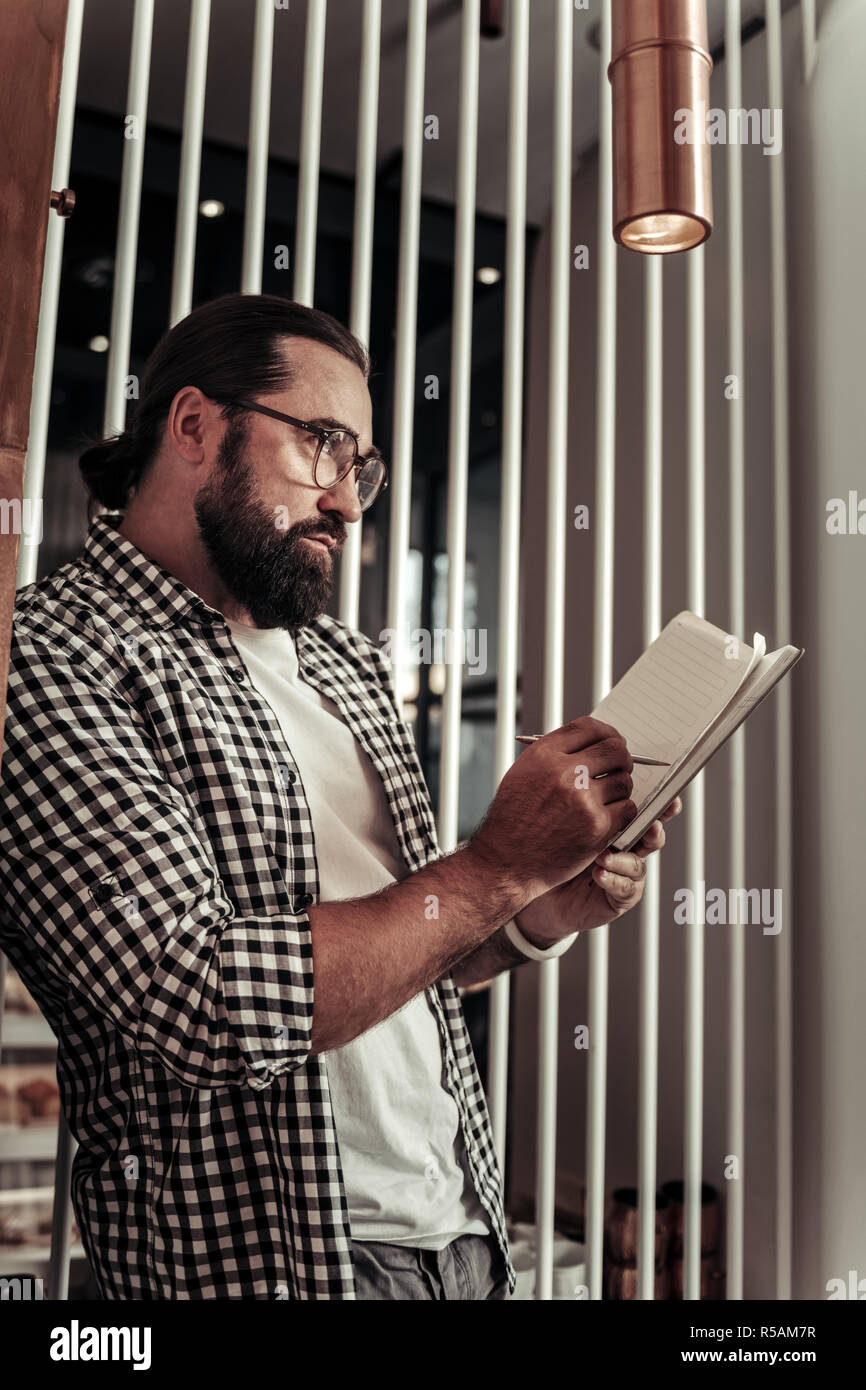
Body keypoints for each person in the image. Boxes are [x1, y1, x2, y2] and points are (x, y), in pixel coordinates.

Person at [0, 292, 681, 1300]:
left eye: (359, 465)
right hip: (267, 1272)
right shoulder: (51, 656)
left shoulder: (343, 664)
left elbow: (404, 957)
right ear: (194, 425)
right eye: (320, 445)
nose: (349, 501)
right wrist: (491, 864)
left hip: (463, 1239)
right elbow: (205, 1000)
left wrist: (531, 906)